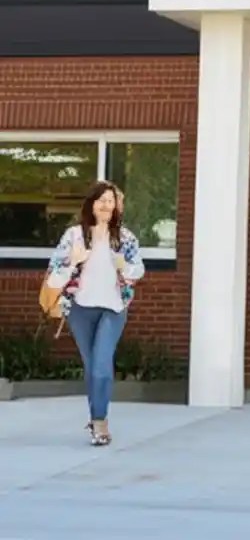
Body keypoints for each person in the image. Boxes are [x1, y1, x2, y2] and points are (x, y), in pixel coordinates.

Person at [45, 180, 145, 447]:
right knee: (91, 367)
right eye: (100, 199)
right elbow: (54, 279)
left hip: (113, 309)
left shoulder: (125, 238)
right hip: (80, 309)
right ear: (91, 204)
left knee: (101, 365)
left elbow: (139, 271)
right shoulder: (74, 236)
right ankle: (95, 417)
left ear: (116, 206)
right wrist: (74, 261)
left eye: (110, 200)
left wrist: (125, 267)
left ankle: (100, 421)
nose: (105, 205)